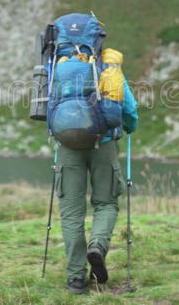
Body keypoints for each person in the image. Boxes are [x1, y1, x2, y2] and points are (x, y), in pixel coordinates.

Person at [57, 54, 138, 294]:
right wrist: (129, 126)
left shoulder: (60, 69)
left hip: (68, 146)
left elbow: (48, 108)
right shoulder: (109, 67)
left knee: (71, 212)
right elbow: (130, 109)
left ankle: (75, 280)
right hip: (104, 145)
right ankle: (98, 246)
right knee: (106, 203)